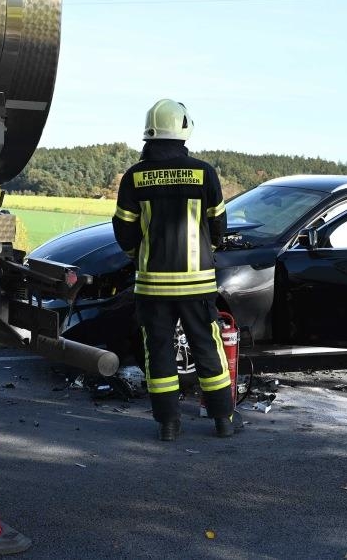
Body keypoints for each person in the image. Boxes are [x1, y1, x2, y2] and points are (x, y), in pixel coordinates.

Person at [112, 99, 234, 440]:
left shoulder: (135, 177)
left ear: (149, 134)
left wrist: (141, 255)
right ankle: (223, 419)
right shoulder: (204, 172)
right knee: (207, 346)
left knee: (159, 351)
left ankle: (168, 424)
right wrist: (206, 251)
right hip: (197, 284)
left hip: (153, 286)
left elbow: (124, 230)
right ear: (183, 129)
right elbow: (218, 226)